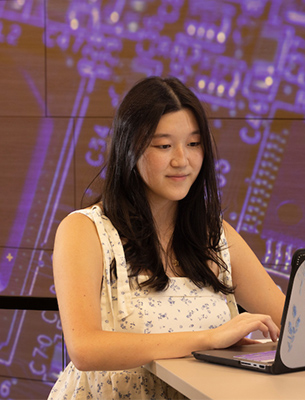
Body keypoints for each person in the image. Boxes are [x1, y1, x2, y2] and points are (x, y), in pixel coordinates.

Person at [48, 76, 286, 399]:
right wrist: (208, 339)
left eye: (193, 143)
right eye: (164, 146)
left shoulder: (216, 235)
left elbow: (292, 318)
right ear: (129, 147)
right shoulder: (85, 231)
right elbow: (85, 348)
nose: (182, 160)